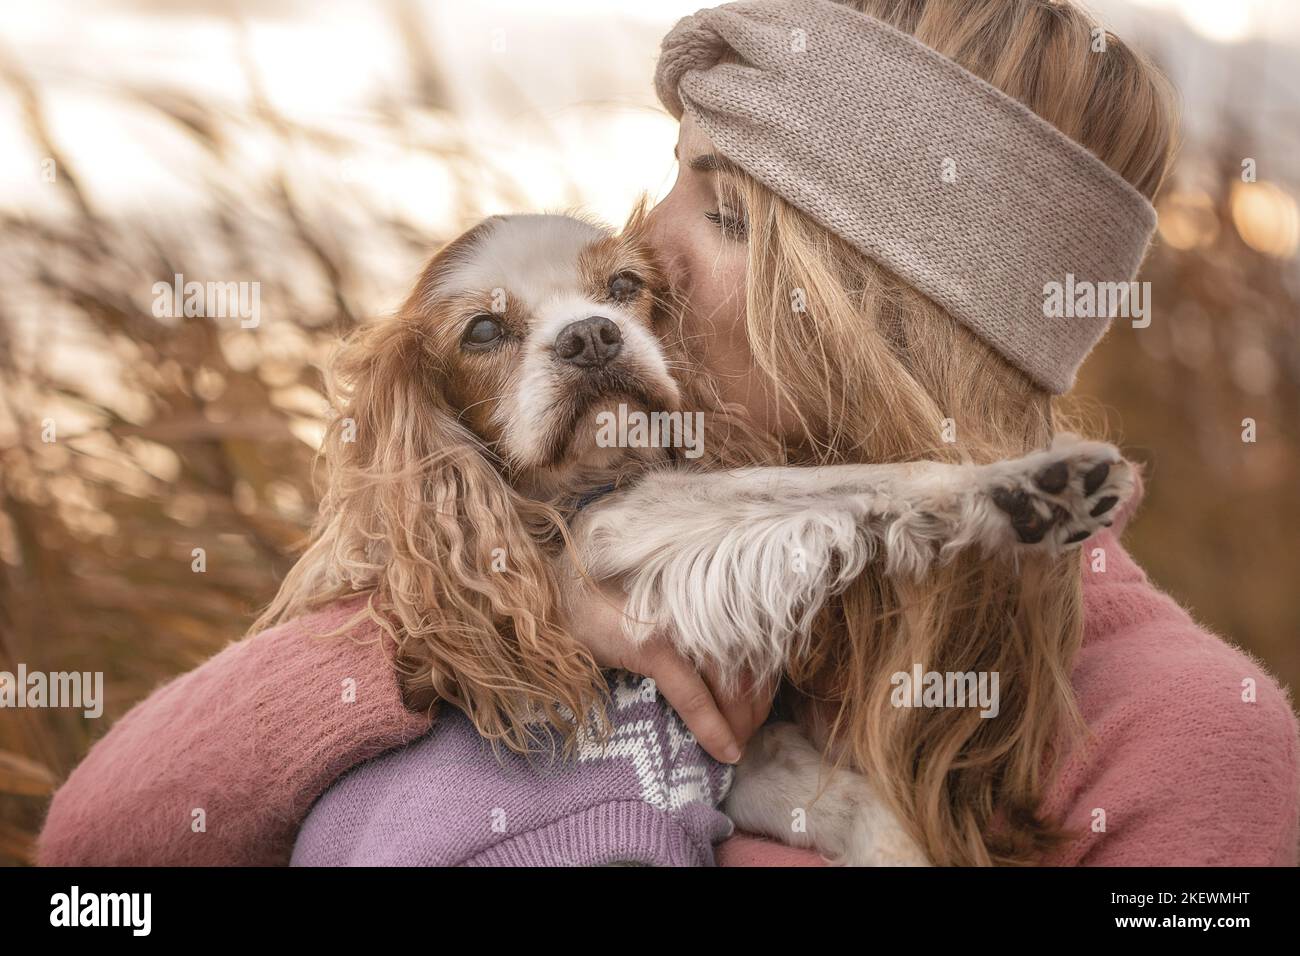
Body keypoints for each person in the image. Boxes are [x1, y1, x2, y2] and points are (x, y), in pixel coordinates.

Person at [38, 0, 1299, 867]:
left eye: (731, 215)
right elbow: (100, 841)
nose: (649, 253)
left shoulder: (1185, 735)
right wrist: (465, 627)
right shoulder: (569, 562)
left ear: (890, 318)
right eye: (677, 173)